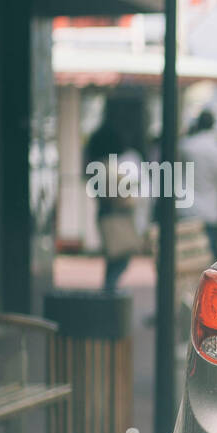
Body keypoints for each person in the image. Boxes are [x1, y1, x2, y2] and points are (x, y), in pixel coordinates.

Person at [86, 93, 147, 292]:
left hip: (106, 215)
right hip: (117, 217)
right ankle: (109, 294)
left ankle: (109, 292)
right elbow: (121, 196)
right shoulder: (110, 168)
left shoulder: (99, 166)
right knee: (119, 260)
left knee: (114, 259)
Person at [178, 109, 217, 259]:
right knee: (207, 258)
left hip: (185, 209)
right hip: (210, 212)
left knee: (187, 258)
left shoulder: (185, 147)